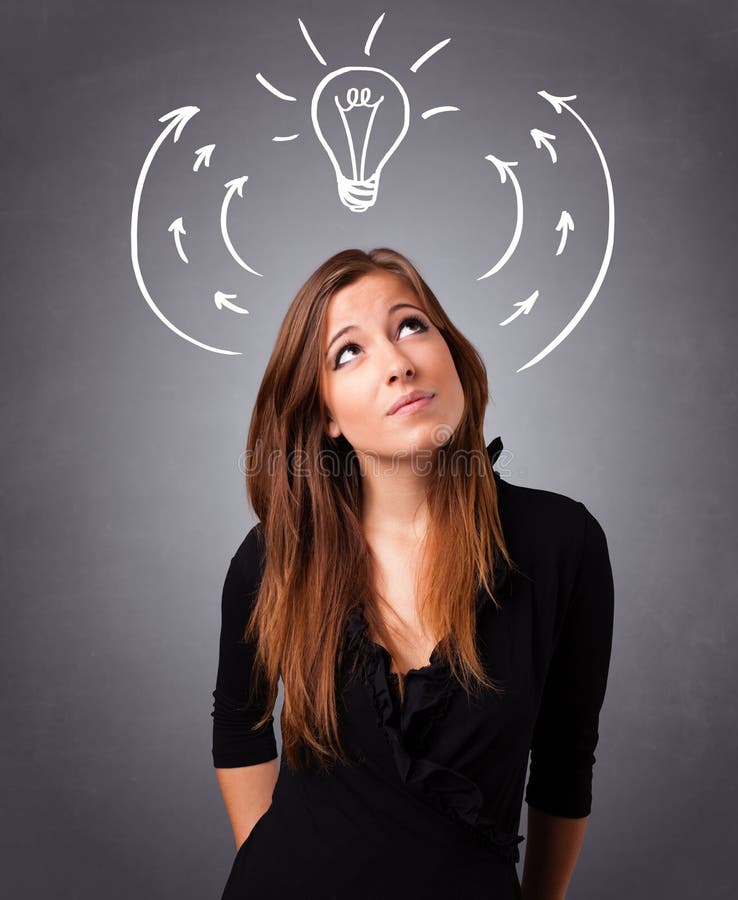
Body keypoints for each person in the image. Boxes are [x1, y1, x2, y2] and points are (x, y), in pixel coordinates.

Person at [211, 247, 615, 900]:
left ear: (449, 352)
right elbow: (238, 726)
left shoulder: (560, 543)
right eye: (349, 352)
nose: (397, 363)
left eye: (410, 325)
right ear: (327, 418)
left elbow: (564, 763)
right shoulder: (275, 557)